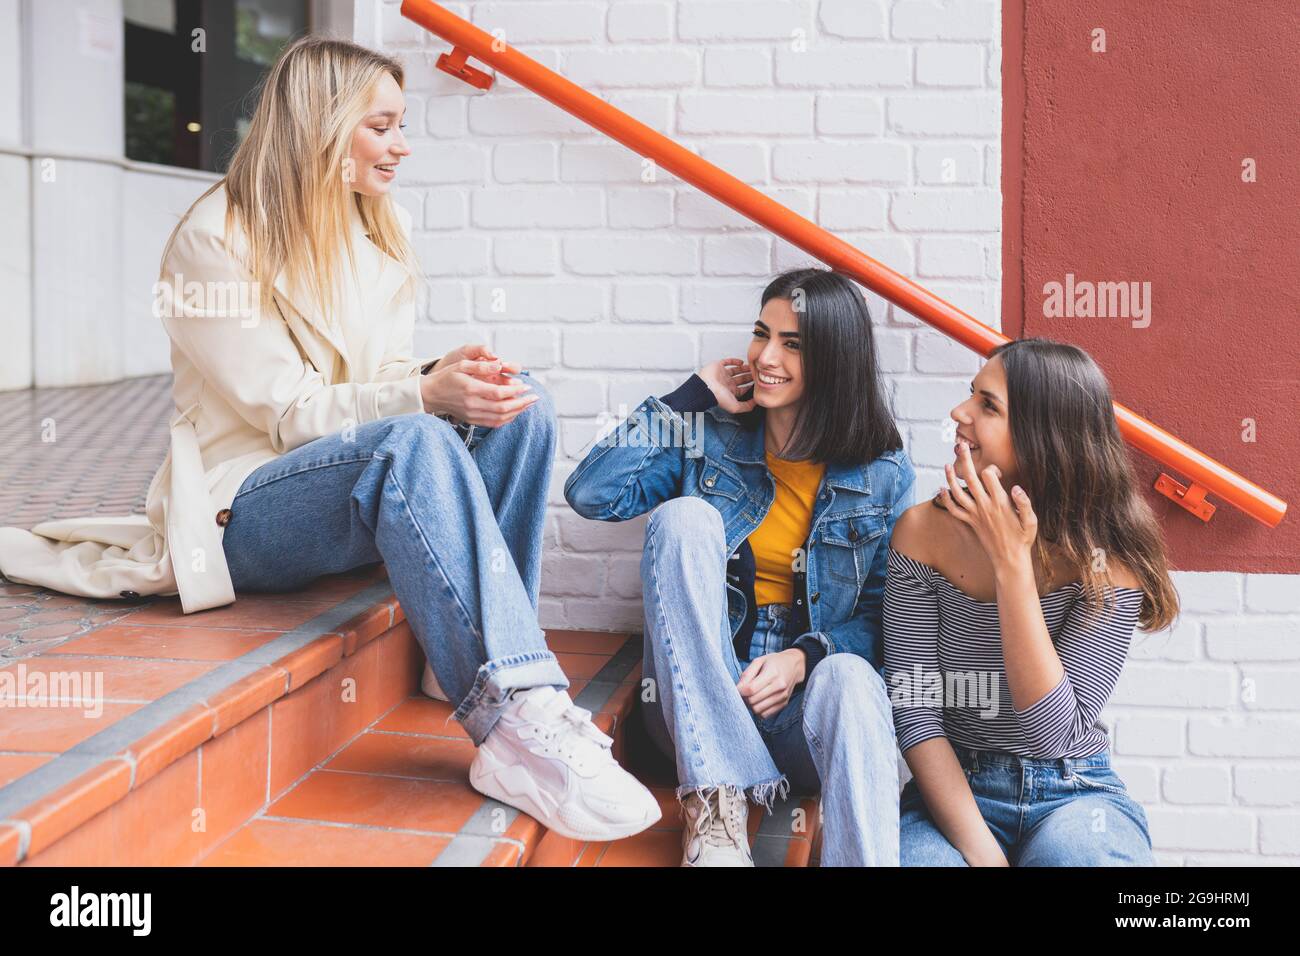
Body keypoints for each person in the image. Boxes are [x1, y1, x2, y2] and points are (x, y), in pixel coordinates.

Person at [0, 36, 660, 843]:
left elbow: (380, 377)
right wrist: (420, 394)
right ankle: (515, 725)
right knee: (412, 445)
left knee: (524, 407)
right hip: (244, 505)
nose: (403, 146)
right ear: (323, 124)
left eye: (401, 126)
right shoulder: (214, 239)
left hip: (345, 480)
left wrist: (440, 376)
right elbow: (288, 412)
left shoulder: (378, 226)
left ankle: (465, 660)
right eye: (382, 127)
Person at [565, 268, 915, 866]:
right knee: (684, 520)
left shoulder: (882, 473)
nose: (766, 356)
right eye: (762, 334)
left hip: (794, 710)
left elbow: (889, 621)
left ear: (836, 360)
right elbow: (591, 493)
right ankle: (715, 811)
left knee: (853, 680)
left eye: (793, 343)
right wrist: (686, 399)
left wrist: (802, 658)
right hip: (697, 694)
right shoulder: (712, 435)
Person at [883, 337, 1179, 866]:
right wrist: (985, 856)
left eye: (987, 405)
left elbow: (1052, 735)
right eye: (971, 394)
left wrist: (1010, 566)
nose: (959, 412)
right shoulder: (921, 533)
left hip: (1076, 789)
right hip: (956, 794)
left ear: (1045, 437)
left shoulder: (1109, 558)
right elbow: (916, 714)